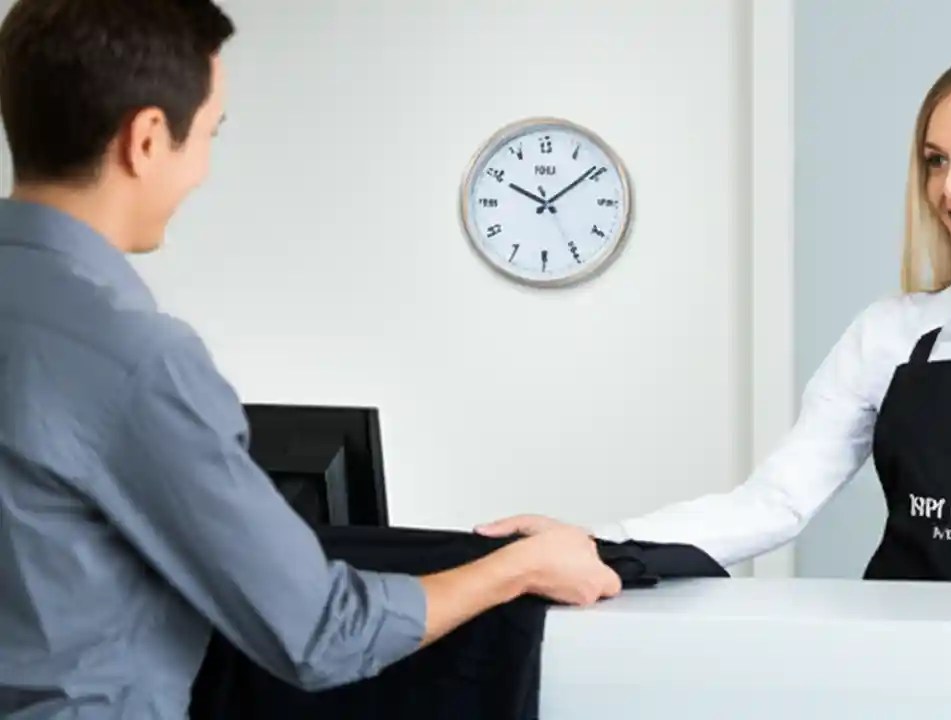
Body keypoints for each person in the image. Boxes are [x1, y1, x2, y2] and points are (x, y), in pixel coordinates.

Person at [0, 1, 619, 718]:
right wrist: (522, 566)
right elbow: (322, 634)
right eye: (208, 134)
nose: (201, 168)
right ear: (144, 140)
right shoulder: (137, 359)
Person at [480, 48, 951, 585]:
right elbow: (774, 504)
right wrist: (598, 541)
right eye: (936, 159)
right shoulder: (890, 333)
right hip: (897, 672)